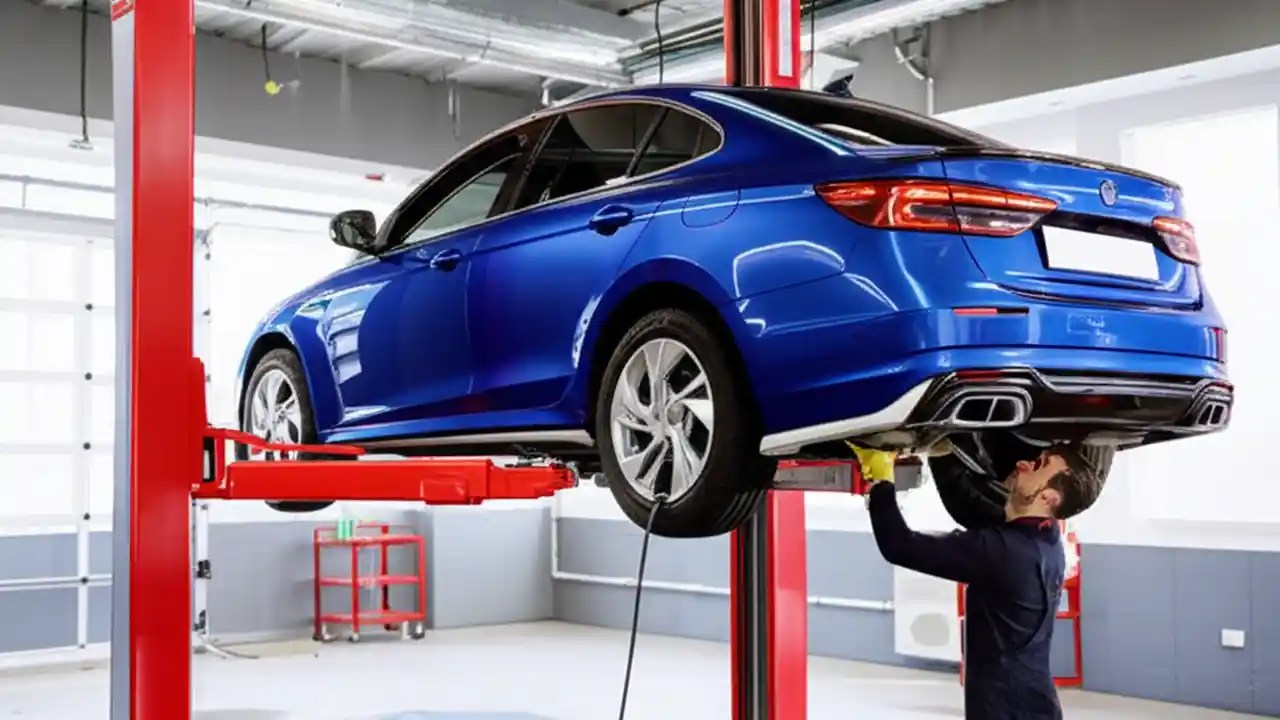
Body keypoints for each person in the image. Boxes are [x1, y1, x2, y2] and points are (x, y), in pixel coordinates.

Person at [854, 443, 1104, 720]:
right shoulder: (1046, 541)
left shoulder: (1001, 551)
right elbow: (983, 511)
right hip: (1036, 704)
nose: (1023, 463)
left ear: (1048, 498)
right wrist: (945, 454)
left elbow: (900, 546)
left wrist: (881, 482)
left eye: (1038, 466)